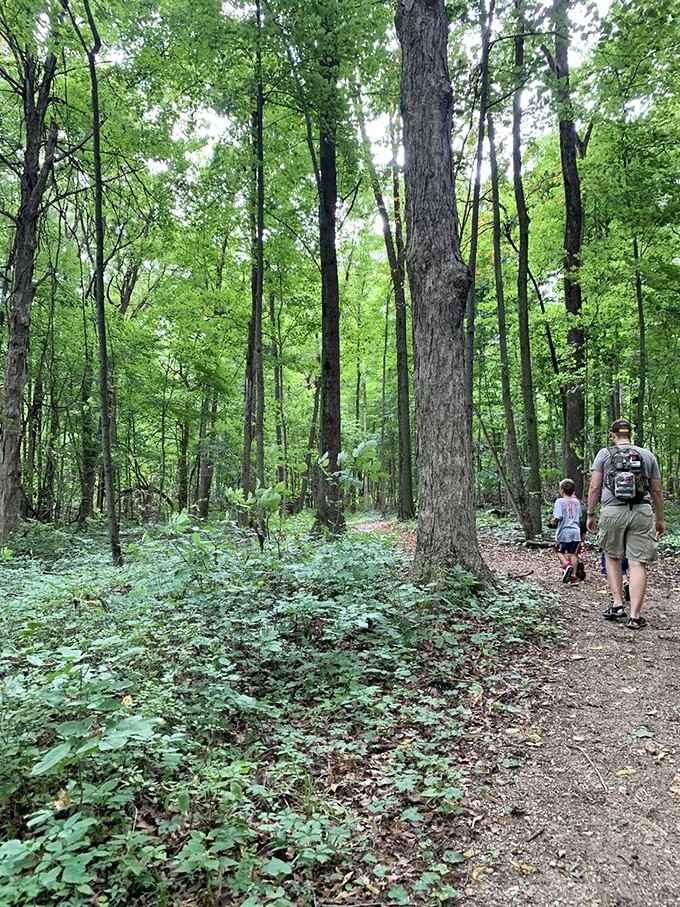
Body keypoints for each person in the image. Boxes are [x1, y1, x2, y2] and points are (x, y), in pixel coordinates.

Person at [587, 419, 665, 630]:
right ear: (630, 434)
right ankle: (635, 616)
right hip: (641, 511)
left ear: (612, 434)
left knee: (612, 556)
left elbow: (594, 487)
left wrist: (590, 514)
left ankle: (617, 604)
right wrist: (659, 518)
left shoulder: (604, 454)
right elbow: (656, 491)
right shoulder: (647, 455)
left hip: (612, 512)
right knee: (637, 563)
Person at [551, 478, 582, 584]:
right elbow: (580, 516)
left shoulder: (559, 502)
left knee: (559, 551)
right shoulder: (577, 502)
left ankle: (566, 565)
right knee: (573, 554)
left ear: (562, 490)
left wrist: (552, 521)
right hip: (576, 532)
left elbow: (558, 516)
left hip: (564, 532)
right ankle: (573, 576)